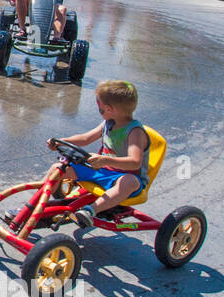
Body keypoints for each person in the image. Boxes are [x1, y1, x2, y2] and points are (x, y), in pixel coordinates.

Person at [49, 79, 150, 228]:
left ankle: (90, 210)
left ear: (109, 109)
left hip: (122, 177)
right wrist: (62, 141)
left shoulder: (135, 132)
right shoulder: (108, 123)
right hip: (101, 170)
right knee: (58, 167)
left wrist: (104, 160)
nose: (99, 110)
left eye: (100, 107)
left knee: (130, 182)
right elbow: (86, 138)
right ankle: (37, 205)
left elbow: (135, 162)